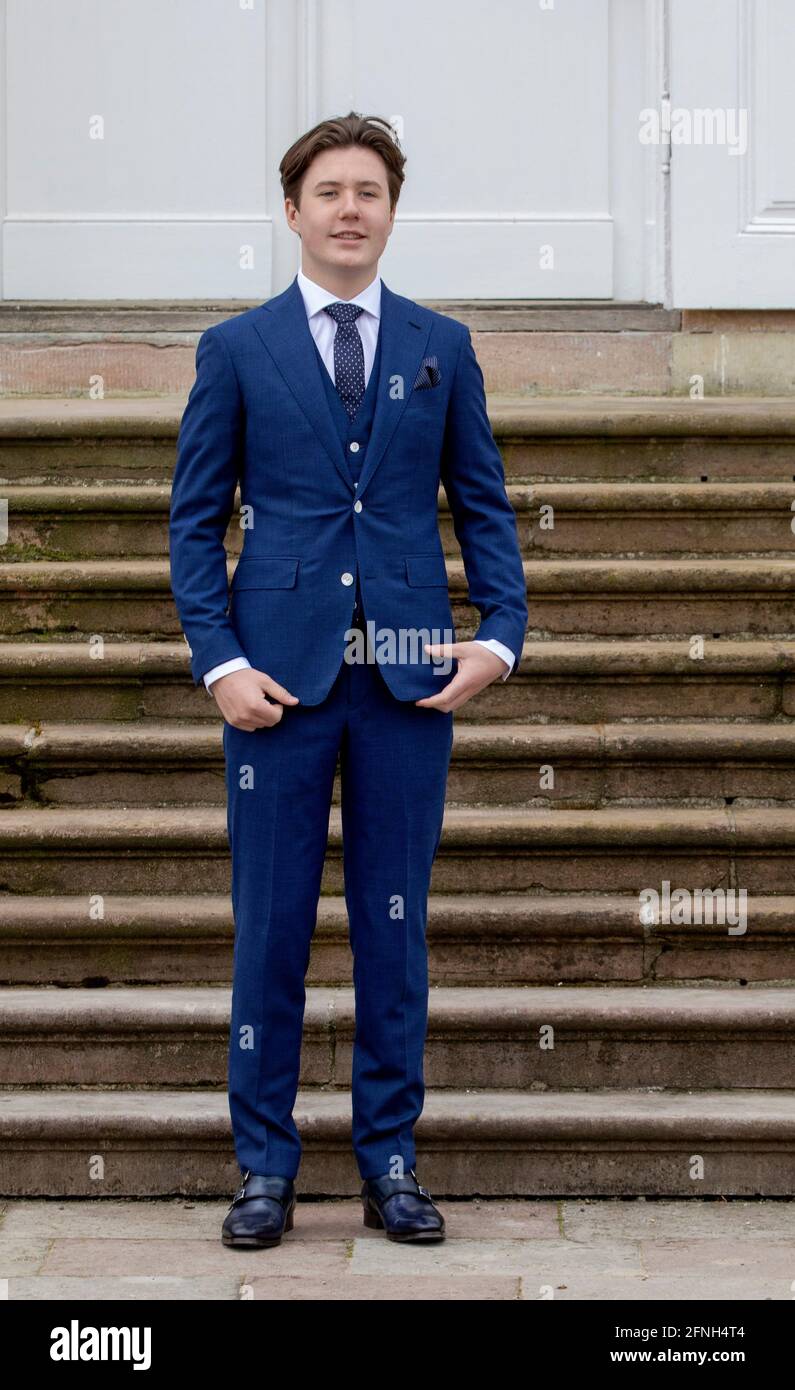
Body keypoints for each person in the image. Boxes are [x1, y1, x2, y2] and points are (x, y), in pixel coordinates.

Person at [169, 111, 528, 1248]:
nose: (349, 208)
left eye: (368, 190)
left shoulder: (443, 345)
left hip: (411, 681)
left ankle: (390, 1161)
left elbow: (482, 504)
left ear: (391, 208)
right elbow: (192, 525)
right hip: (275, 686)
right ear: (292, 211)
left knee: (395, 931)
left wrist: (500, 634)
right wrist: (220, 660)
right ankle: (264, 1168)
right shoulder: (236, 349)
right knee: (269, 932)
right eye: (328, 191)